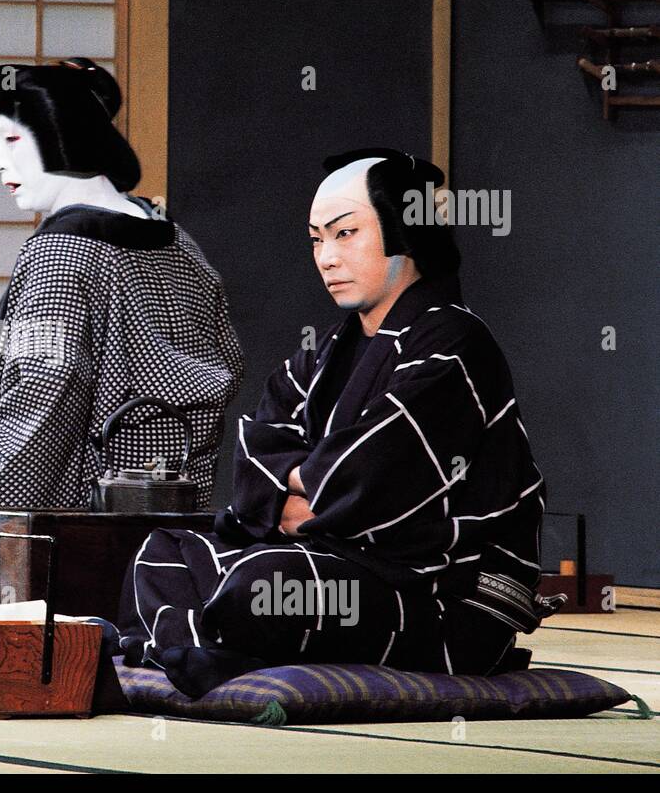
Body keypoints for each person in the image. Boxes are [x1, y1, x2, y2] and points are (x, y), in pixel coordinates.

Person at [118, 149, 560, 698]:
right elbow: (258, 444)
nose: (326, 257)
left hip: (444, 592)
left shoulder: (454, 342)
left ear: (404, 231)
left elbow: (380, 471)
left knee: (264, 584)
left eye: (345, 233)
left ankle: (191, 647)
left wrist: (305, 496)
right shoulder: (326, 350)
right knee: (163, 550)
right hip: (341, 564)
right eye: (315, 239)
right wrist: (316, 493)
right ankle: (207, 650)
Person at [0, 57, 245, 624]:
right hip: (168, 510)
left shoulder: (61, 251)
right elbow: (225, 359)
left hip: (69, 515)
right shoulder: (178, 241)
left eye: (12, 140)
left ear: (64, 132)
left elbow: (46, 392)